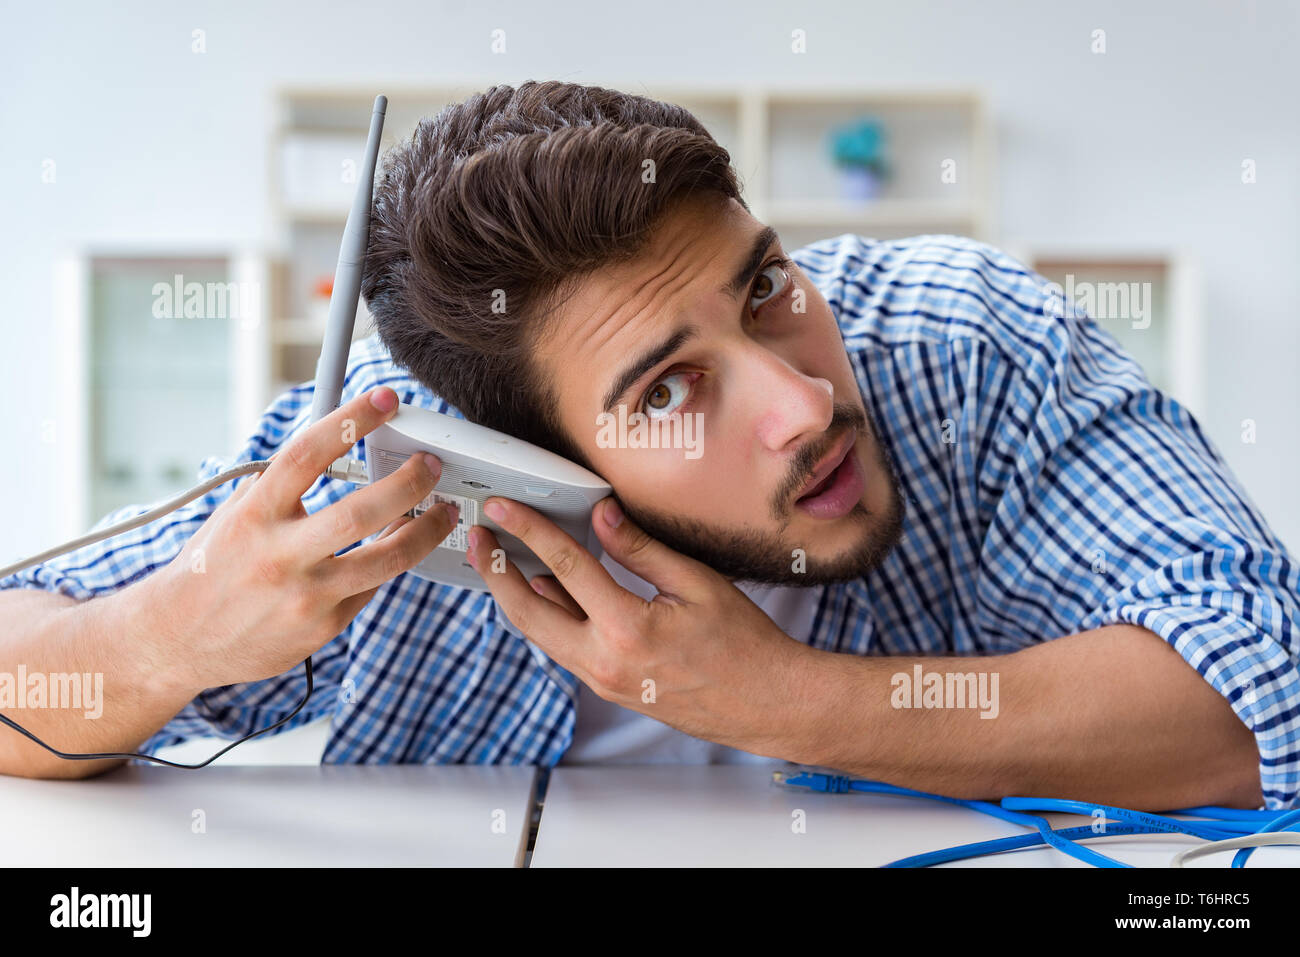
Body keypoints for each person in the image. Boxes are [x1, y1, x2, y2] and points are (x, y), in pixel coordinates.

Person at [2, 81, 1295, 812]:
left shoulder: (968, 344)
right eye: (672, 390)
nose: (799, 405)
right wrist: (170, 633)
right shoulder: (385, 465)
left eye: (766, 287)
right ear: (518, 465)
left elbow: (1269, 684)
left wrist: (788, 704)